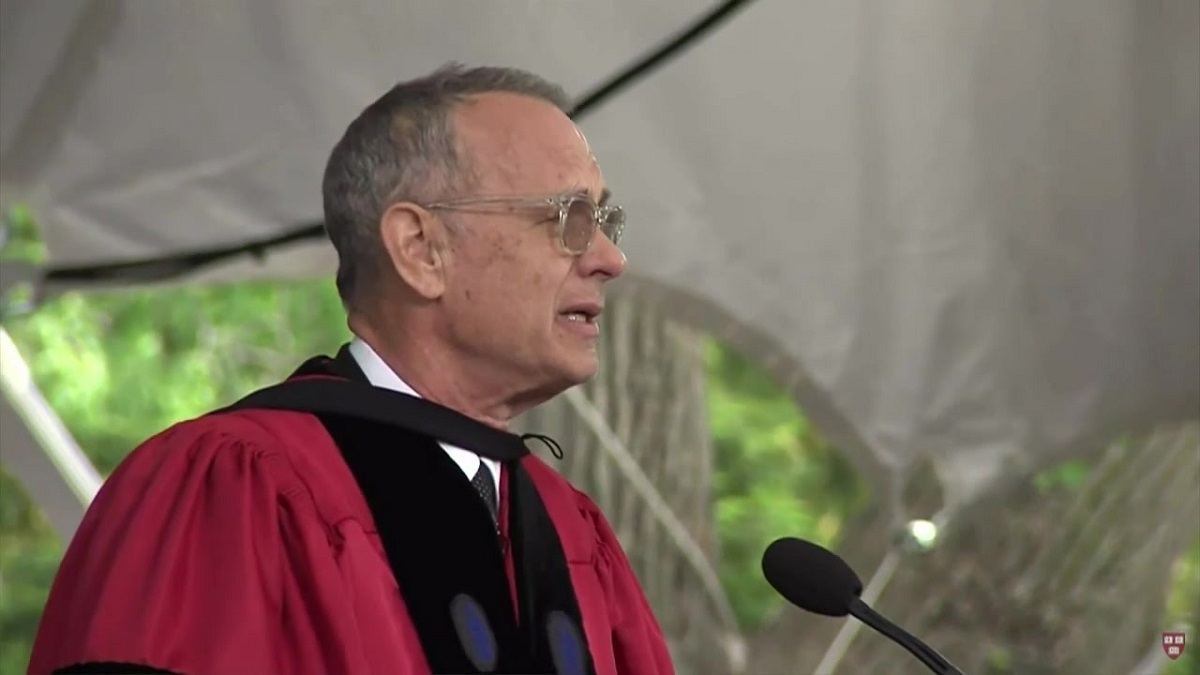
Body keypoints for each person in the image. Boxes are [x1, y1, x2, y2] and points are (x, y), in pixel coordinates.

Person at [28, 64, 675, 675]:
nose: (610, 258)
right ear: (421, 249)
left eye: (606, 219)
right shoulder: (230, 486)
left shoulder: (569, 527)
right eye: (570, 219)